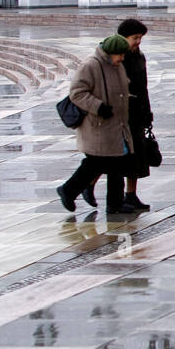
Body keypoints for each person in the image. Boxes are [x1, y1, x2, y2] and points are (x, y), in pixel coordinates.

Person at [56, 34, 136, 216]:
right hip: (98, 125)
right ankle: (68, 190)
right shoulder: (91, 65)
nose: (122, 59)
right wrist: (98, 107)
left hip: (116, 124)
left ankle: (115, 203)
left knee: (117, 163)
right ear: (110, 53)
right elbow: (76, 93)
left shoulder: (117, 65)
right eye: (120, 55)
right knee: (95, 163)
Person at [84, 18, 154, 212]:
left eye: (140, 38)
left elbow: (143, 87)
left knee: (137, 156)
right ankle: (89, 185)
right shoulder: (117, 58)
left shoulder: (139, 57)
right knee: (113, 157)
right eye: (135, 38)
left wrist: (147, 111)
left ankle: (131, 195)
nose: (138, 42)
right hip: (121, 114)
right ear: (123, 38)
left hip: (137, 112)